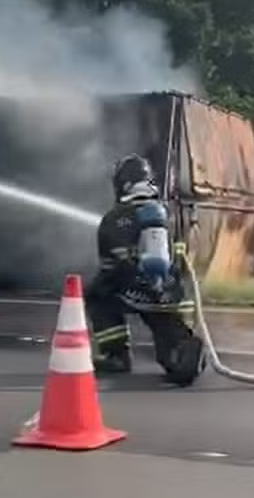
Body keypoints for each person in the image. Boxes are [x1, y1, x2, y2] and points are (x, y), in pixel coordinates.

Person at [85, 154, 206, 386]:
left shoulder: (115, 217)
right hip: (173, 295)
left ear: (123, 184)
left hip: (134, 291)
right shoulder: (169, 213)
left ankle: (116, 356)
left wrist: (104, 284)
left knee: (97, 296)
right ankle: (183, 347)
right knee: (170, 357)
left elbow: (111, 266)